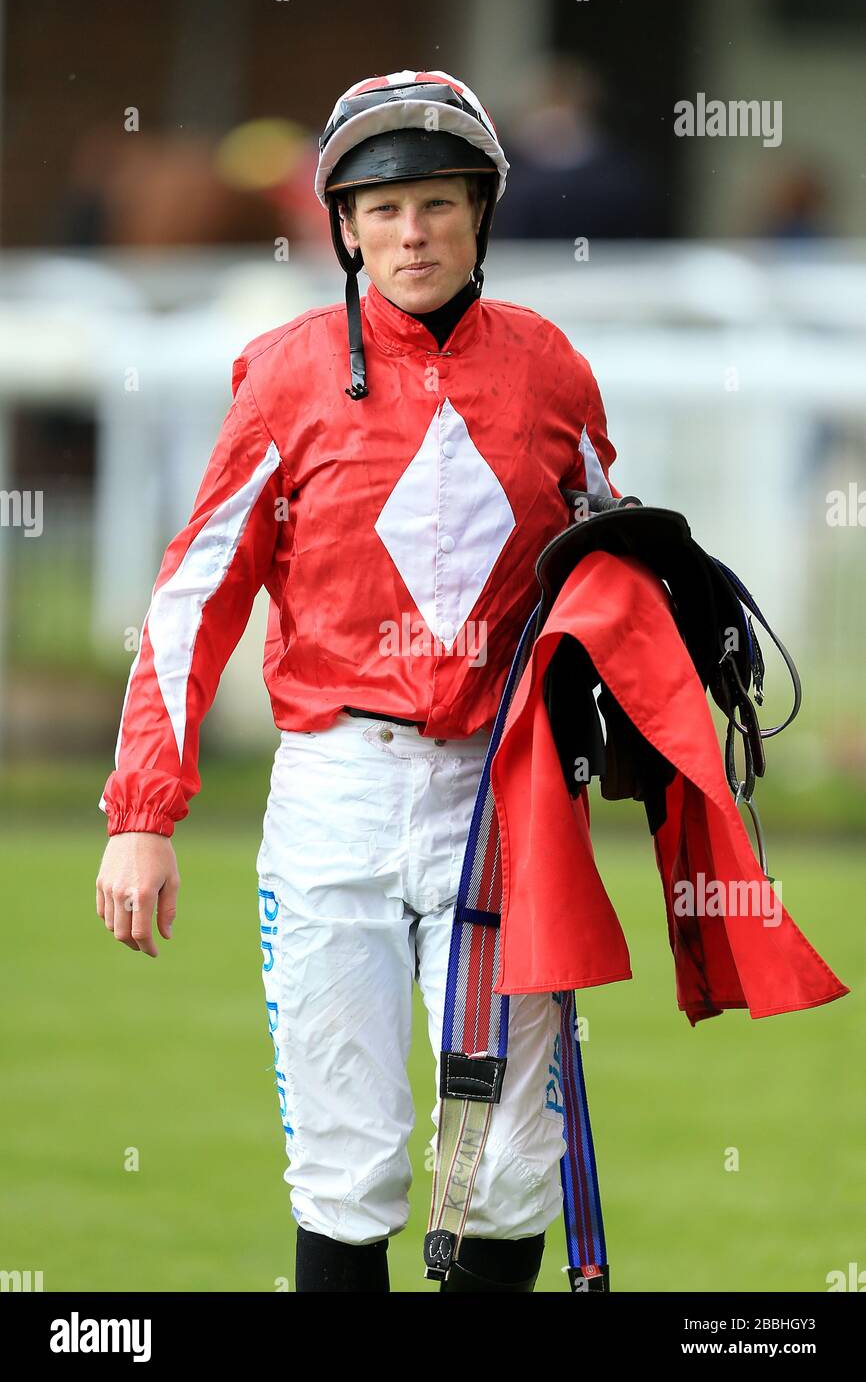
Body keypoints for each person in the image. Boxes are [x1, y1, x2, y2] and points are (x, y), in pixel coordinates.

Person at [95, 68, 621, 1293]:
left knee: (488, 1168)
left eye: (437, 203)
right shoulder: (278, 376)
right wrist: (141, 815)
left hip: (500, 805)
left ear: (478, 212)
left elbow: (612, 575)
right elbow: (193, 602)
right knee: (347, 1165)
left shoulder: (550, 373)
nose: (411, 233)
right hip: (332, 794)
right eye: (381, 210)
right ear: (341, 225)